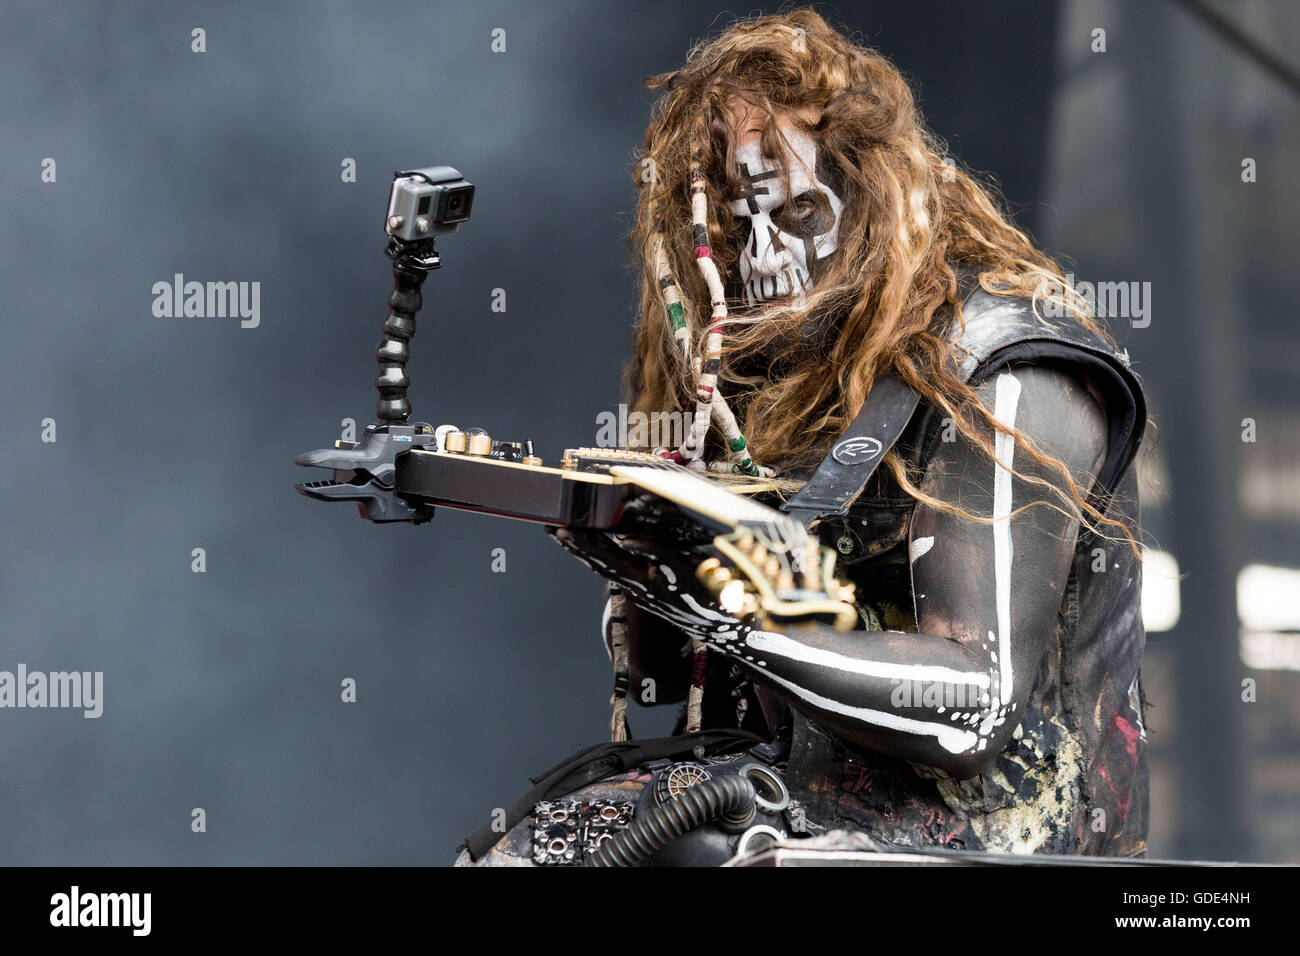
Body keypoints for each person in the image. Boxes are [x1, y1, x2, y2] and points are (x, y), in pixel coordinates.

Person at [457, 8, 1148, 866]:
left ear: (874, 194)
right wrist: (638, 566)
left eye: (798, 209)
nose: (767, 253)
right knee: (534, 842)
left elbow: (975, 706)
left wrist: (734, 613)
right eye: (738, 229)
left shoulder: (1007, 366)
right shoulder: (754, 384)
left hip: (1003, 827)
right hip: (798, 784)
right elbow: (672, 679)